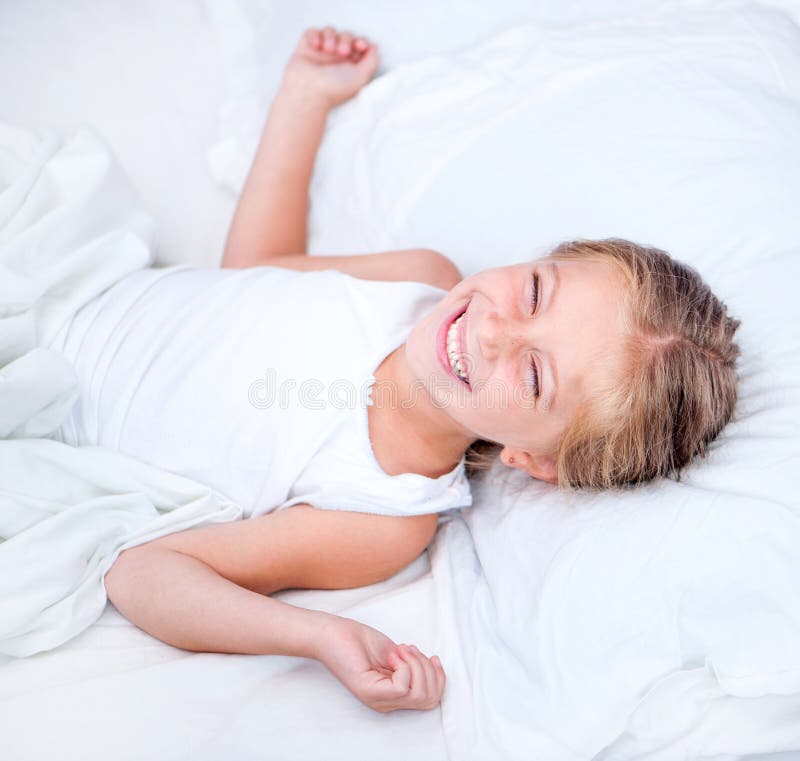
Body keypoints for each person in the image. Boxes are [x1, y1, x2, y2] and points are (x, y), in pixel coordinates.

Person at [97, 27, 741, 713]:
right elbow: (254, 278)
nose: (493, 329)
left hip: (61, 412)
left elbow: (142, 571)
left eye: (533, 377)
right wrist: (303, 100)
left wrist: (318, 636)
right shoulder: (418, 281)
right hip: (82, 294)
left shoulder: (385, 514)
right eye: (531, 292)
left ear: (535, 459)